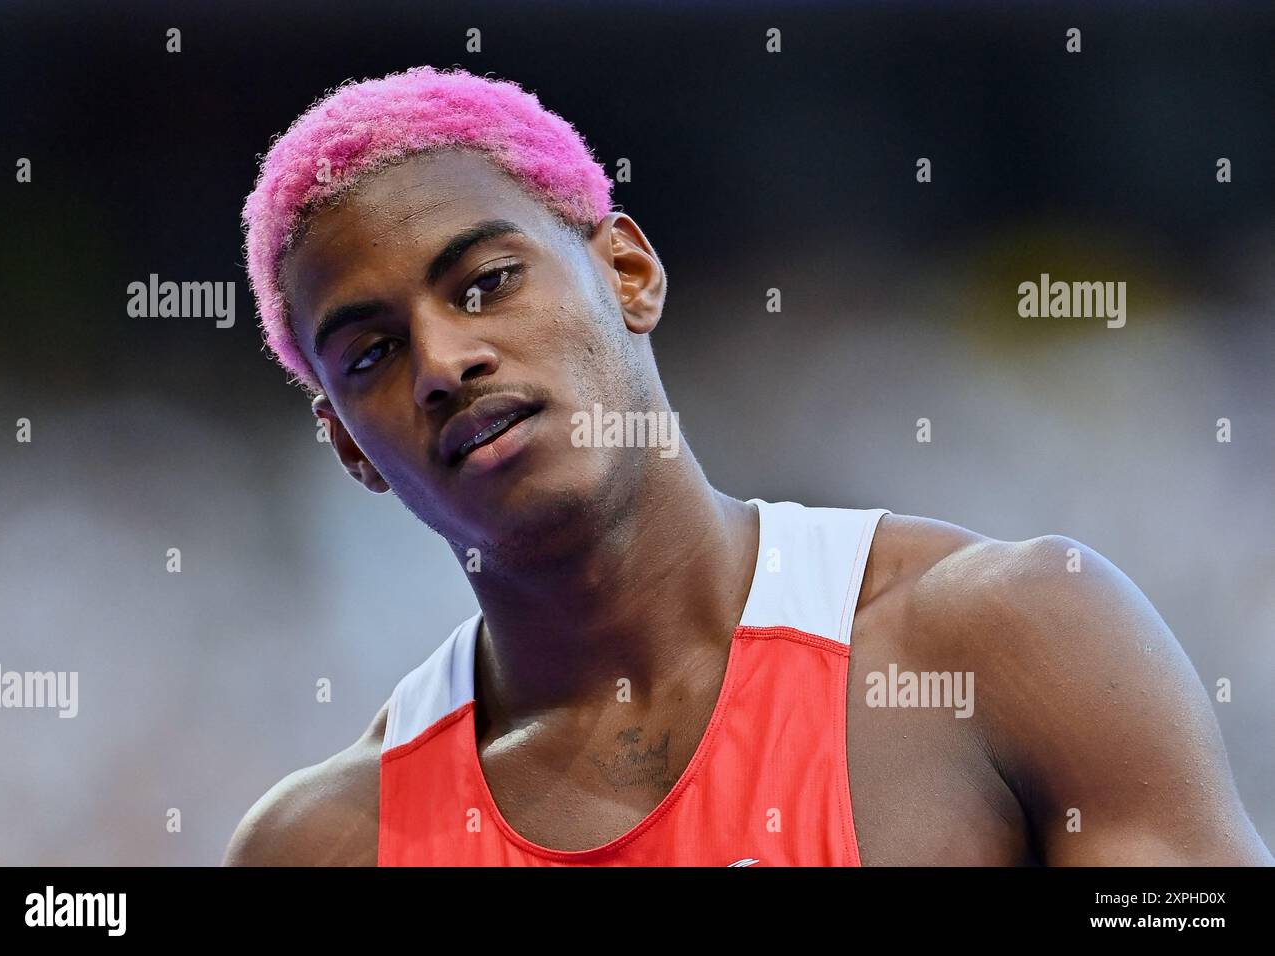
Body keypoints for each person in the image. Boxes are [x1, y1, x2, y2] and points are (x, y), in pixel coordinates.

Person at [224, 66, 1271, 866]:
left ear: (627, 274)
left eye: (488, 281)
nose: (446, 361)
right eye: (371, 353)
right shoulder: (324, 842)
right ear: (351, 446)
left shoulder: (1016, 636)